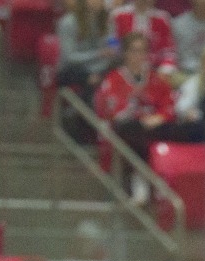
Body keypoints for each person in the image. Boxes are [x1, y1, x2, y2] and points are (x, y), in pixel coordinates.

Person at [95, 30, 181, 163]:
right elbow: (114, 113)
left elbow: (168, 103)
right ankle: (139, 174)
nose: (138, 56)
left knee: (182, 129)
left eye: (142, 51)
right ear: (125, 53)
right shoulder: (113, 79)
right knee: (132, 129)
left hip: (154, 126)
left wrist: (160, 117)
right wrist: (139, 115)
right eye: (134, 51)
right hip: (127, 128)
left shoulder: (156, 79)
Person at [56, 0, 116, 109]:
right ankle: (83, 118)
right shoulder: (68, 22)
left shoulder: (107, 21)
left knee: (118, 73)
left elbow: (113, 43)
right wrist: (98, 54)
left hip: (101, 67)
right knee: (93, 81)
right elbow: (69, 57)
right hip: (73, 69)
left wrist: (113, 48)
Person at [110, 0, 178, 71]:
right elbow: (113, 45)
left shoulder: (162, 18)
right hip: (124, 67)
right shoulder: (118, 15)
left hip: (156, 69)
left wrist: (166, 68)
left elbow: (168, 51)